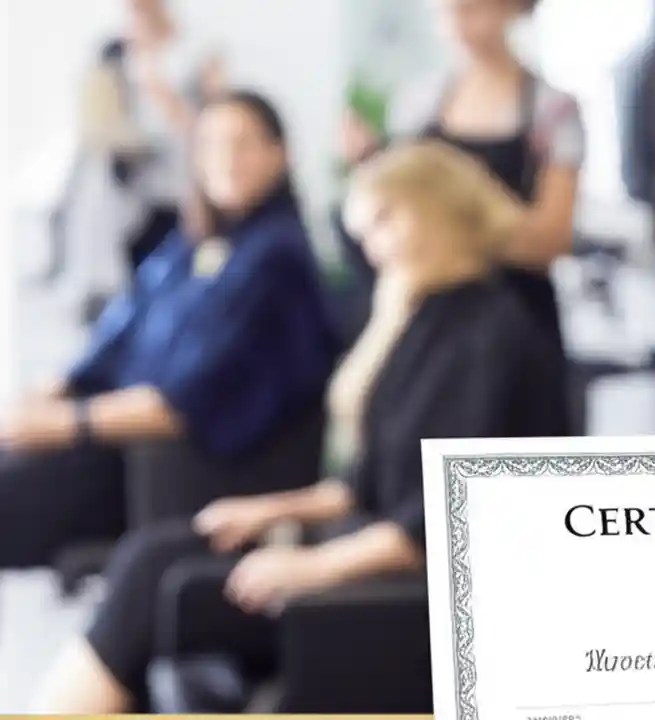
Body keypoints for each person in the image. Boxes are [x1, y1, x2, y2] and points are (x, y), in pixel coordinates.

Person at [32, 141, 570, 714]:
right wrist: (264, 510)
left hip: (415, 592)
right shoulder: (422, 323)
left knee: (154, 589)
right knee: (149, 554)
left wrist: (313, 566)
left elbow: (434, 524)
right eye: (365, 229)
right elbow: (365, 491)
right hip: (370, 552)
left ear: (441, 213)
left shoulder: (485, 338)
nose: (368, 243)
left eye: (386, 220)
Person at [0, 91, 339, 571]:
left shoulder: (275, 258)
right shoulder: (190, 244)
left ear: (279, 154)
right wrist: (52, 393)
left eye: (242, 143)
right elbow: (119, 332)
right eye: (212, 144)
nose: (227, 159)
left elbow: (188, 400)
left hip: (179, 467)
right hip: (116, 439)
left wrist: (65, 424)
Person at [343, 0, 585, 367]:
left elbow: (553, 238)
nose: (457, 22)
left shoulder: (553, 111)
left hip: (517, 324)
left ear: (511, 7)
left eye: (471, 9)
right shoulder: (417, 105)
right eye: (448, 10)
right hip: (429, 323)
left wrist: (451, 227)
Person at [94, 0, 225, 270]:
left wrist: (159, 90)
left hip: (186, 193)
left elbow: (216, 126)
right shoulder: (115, 52)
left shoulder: (198, 49)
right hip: (133, 199)